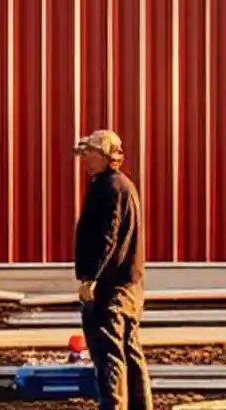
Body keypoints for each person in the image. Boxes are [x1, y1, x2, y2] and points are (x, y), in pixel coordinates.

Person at [73, 129, 152, 410]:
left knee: (109, 358)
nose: (84, 159)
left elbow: (106, 237)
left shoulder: (106, 189)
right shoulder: (124, 186)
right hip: (130, 288)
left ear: (105, 156)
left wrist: (90, 279)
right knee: (130, 354)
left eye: (89, 154)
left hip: (110, 289)